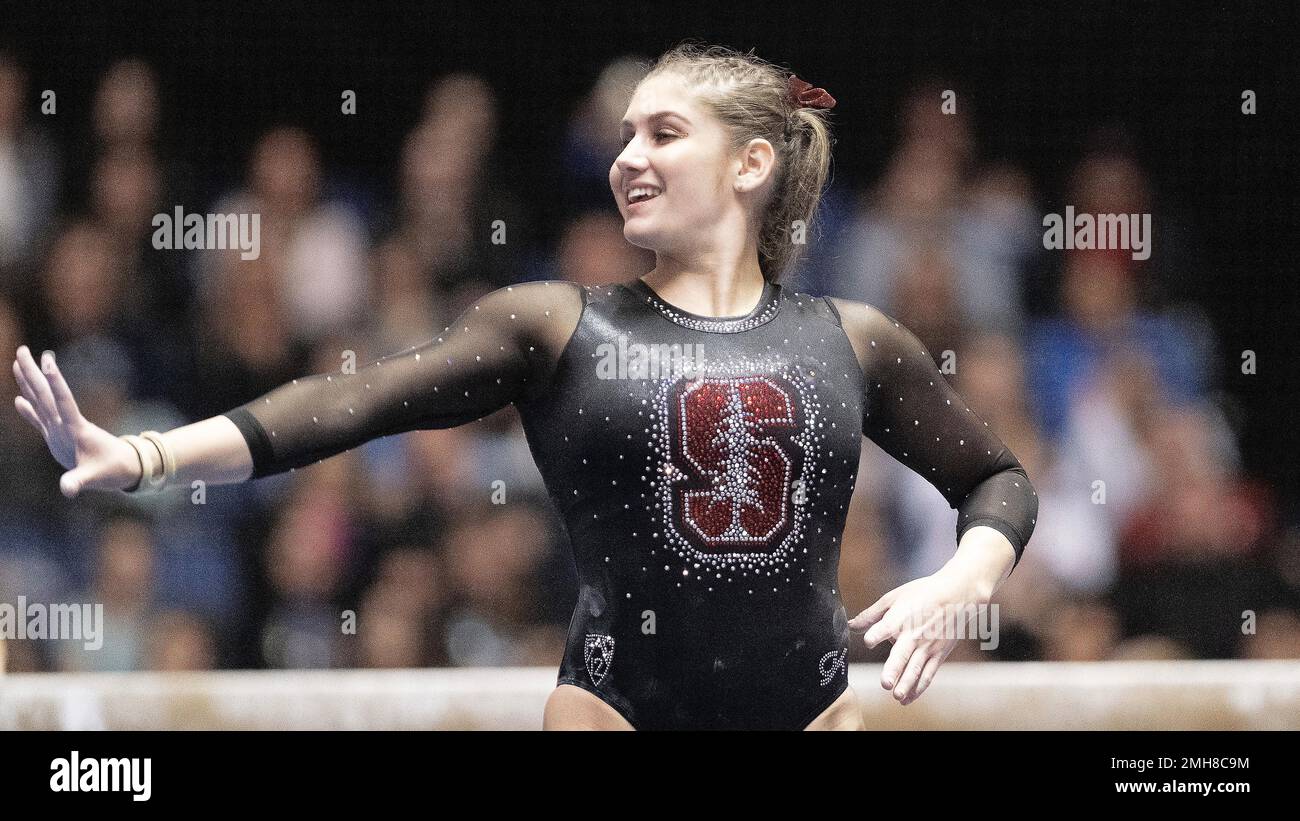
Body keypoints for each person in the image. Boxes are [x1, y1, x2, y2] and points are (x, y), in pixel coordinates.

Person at [11, 42, 1037, 730]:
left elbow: (995, 478)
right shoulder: (557, 324)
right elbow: (353, 400)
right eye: (625, 135)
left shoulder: (852, 339)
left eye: (662, 134)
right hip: (613, 715)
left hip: (810, 715)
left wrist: (964, 579)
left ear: (751, 164)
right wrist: (145, 455)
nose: (627, 157)